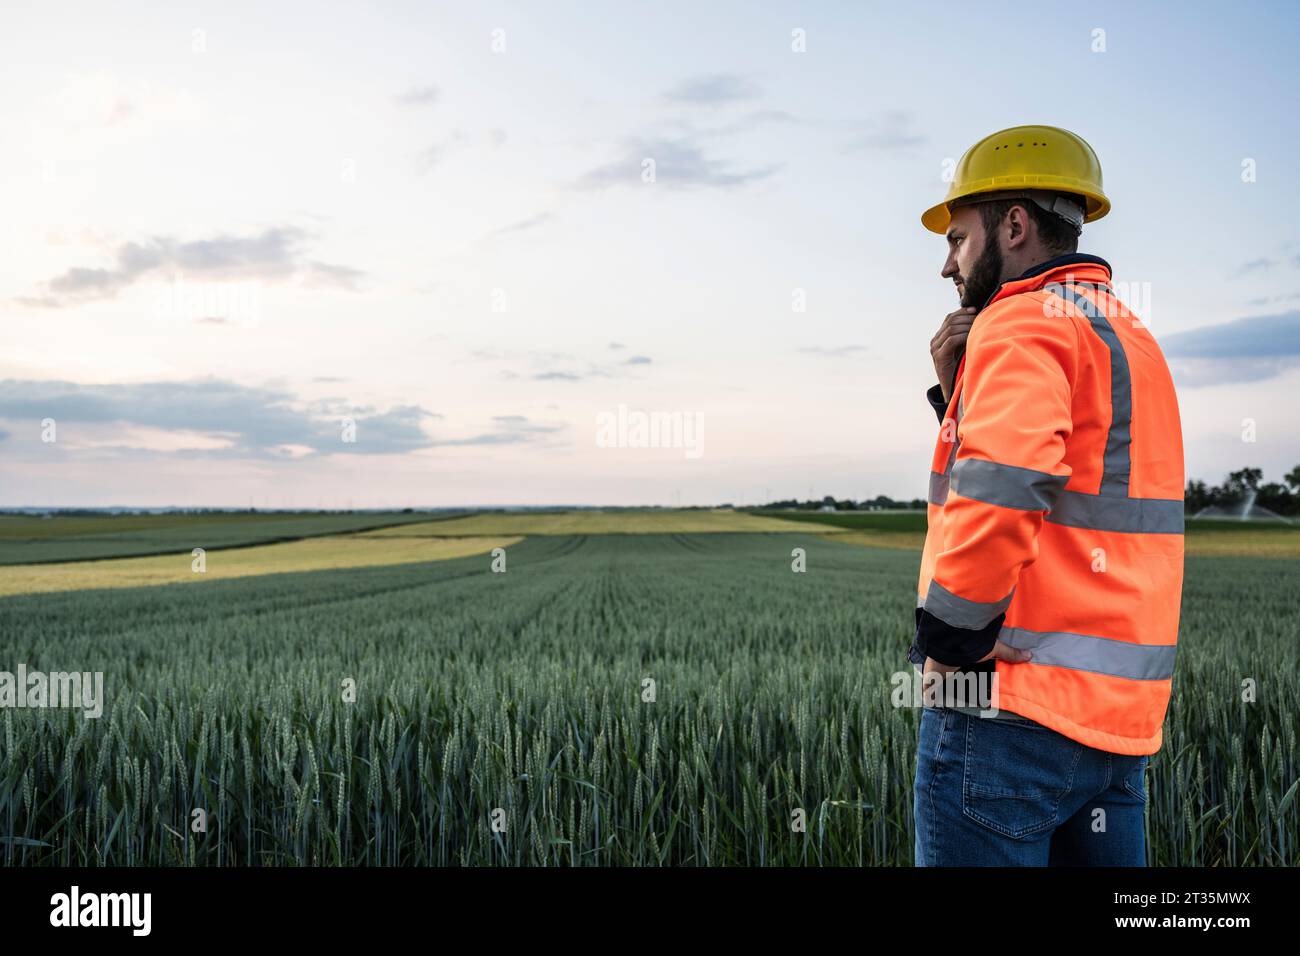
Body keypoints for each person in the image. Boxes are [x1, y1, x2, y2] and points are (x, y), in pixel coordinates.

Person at [909, 125, 1185, 866]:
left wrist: (949, 647)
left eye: (958, 240)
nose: (947, 265)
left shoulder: (1019, 320)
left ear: (1016, 225)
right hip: (1114, 726)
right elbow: (1079, 480)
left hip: (1007, 709)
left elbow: (1005, 486)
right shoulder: (1130, 337)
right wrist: (954, 394)